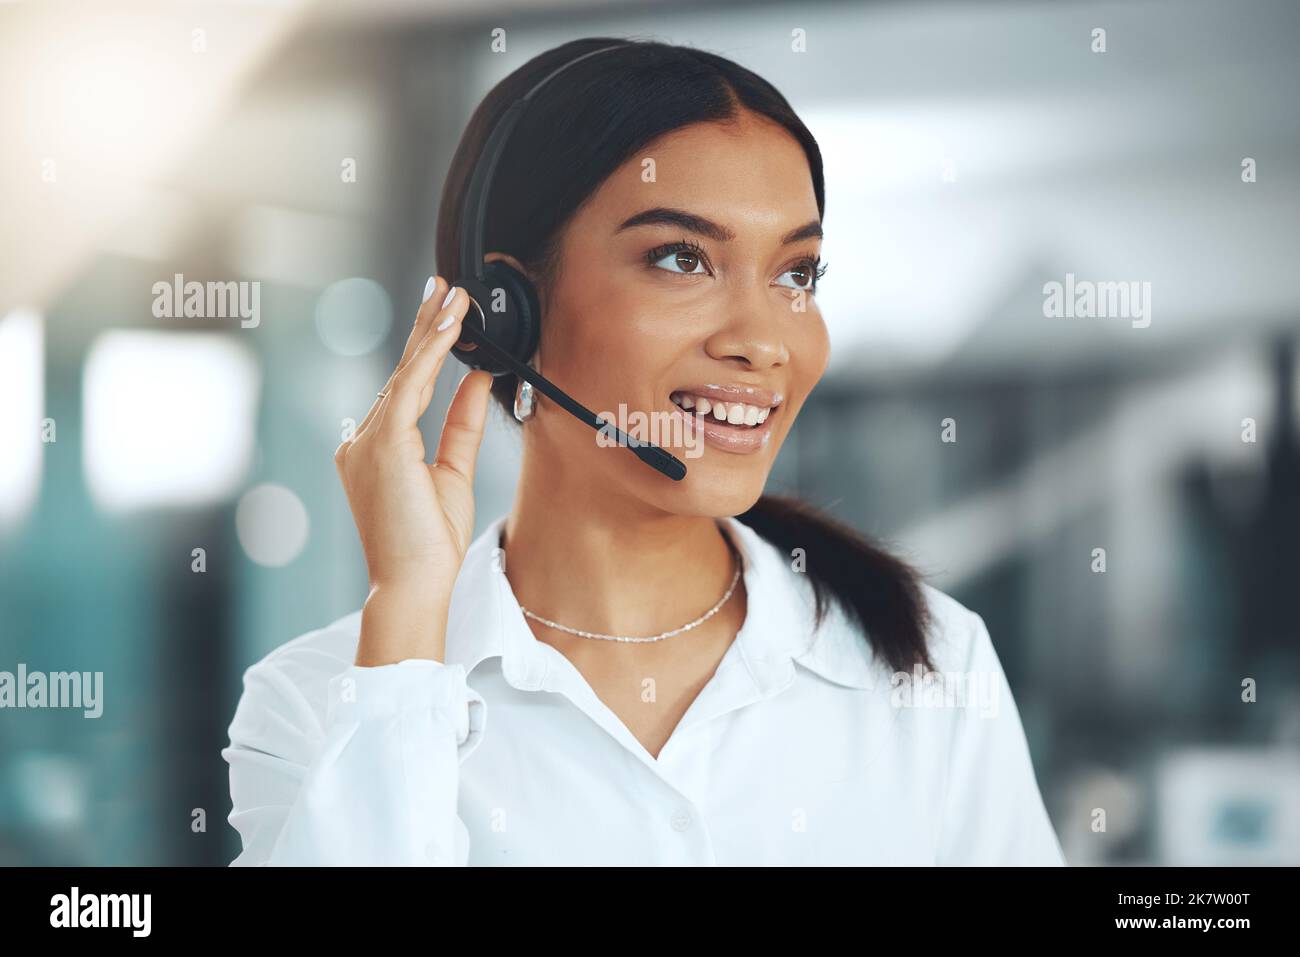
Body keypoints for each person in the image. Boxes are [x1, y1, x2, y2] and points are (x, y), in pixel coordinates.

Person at [222, 36, 1066, 866]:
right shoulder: (317, 701)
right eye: (681, 259)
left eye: (796, 274)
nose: (763, 342)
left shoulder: (932, 664)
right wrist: (406, 622)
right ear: (506, 310)